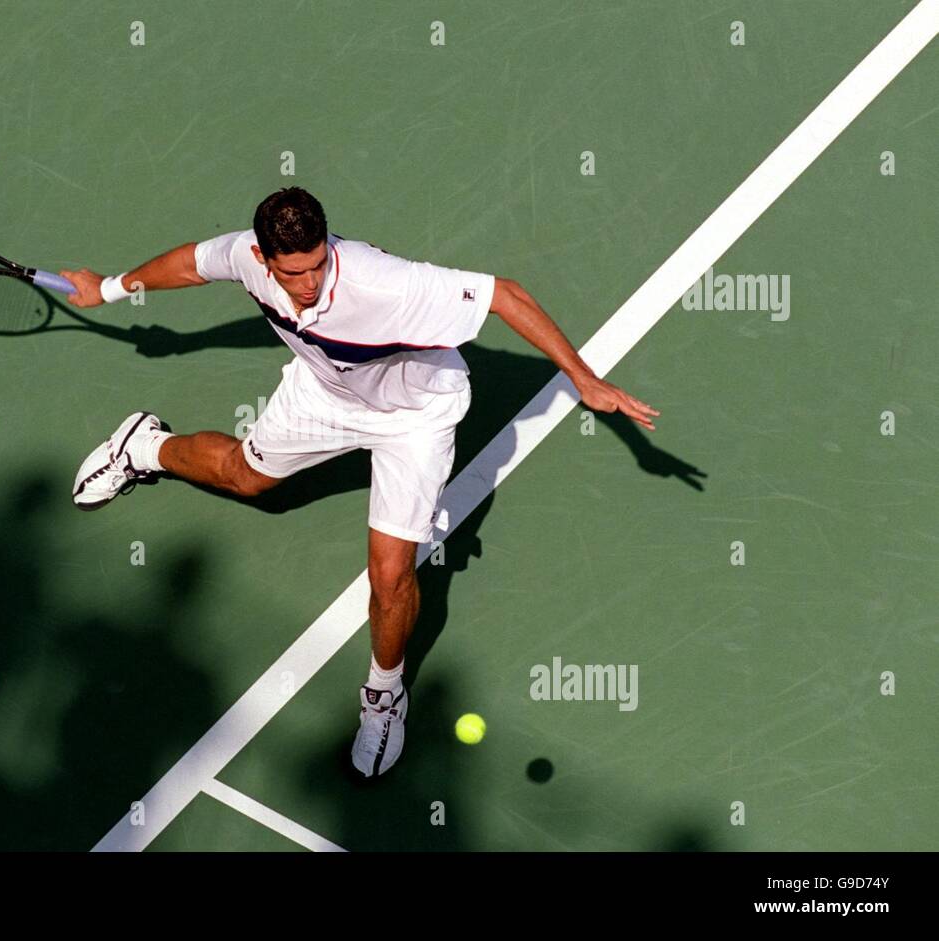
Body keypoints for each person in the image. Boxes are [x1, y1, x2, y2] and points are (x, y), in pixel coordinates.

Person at [60, 187, 659, 777]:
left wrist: (584, 379)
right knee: (245, 478)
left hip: (415, 421)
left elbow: (505, 295)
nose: (311, 283)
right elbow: (192, 264)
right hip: (322, 395)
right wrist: (110, 287)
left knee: (391, 574)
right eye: (294, 272)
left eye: (319, 264)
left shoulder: (382, 282)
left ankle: (385, 694)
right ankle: (142, 446)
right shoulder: (245, 256)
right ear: (265, 260)